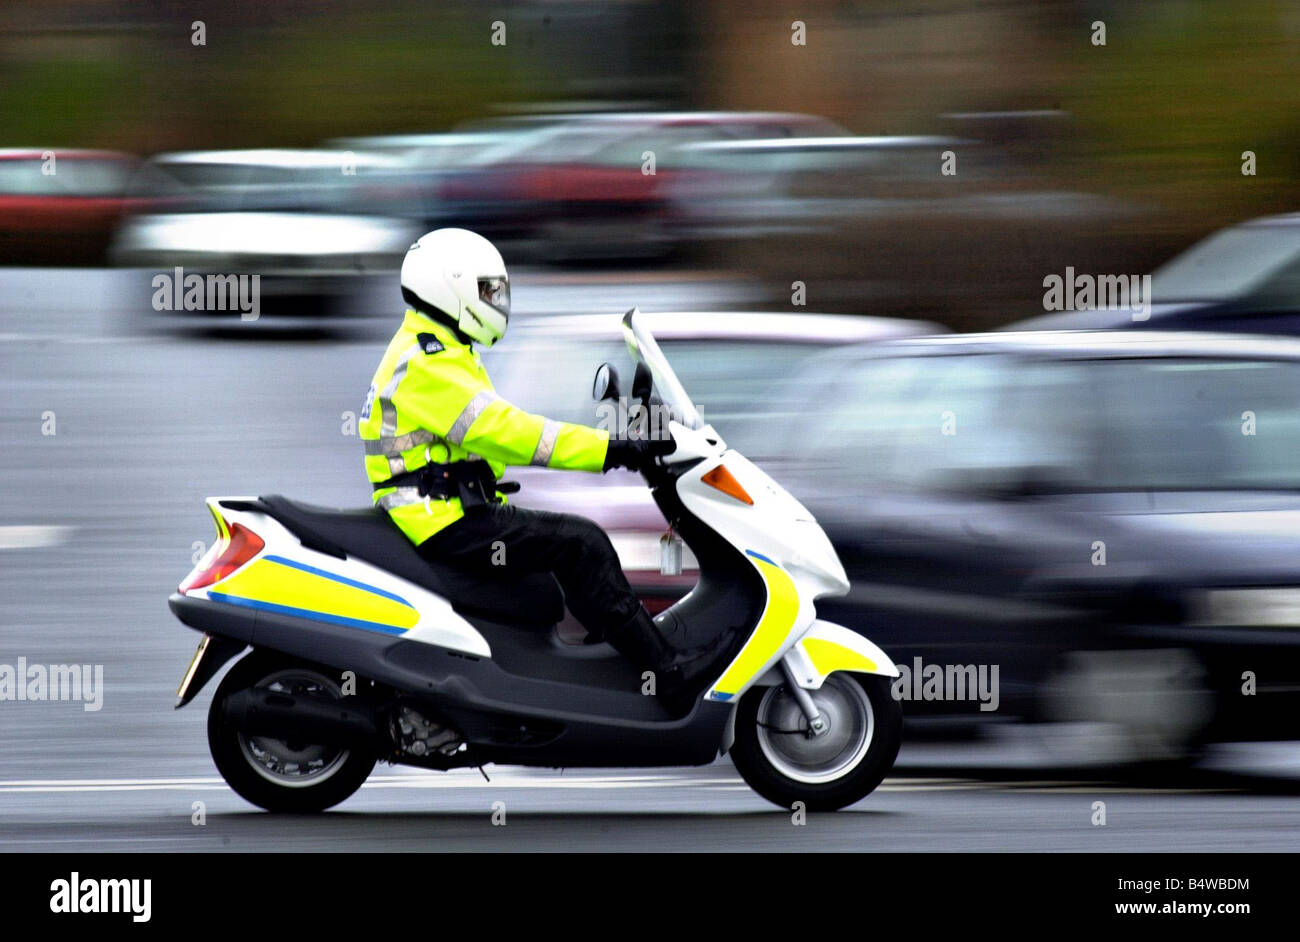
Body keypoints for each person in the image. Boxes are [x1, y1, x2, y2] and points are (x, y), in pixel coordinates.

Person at [359, 228, 731, 714]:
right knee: (582, 543)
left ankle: (606, 669)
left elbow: (488, 437)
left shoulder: (441, 351)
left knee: (562, 561)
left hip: (445, 509)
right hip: (437, 517)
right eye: (487, 290)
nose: (497, 301)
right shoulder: (427, 362)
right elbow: (506, 432)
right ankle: (669, 675)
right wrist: (611, 450)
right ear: (448, 286)